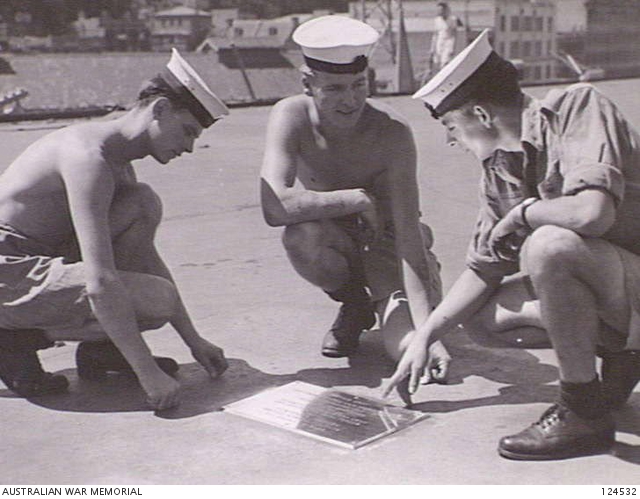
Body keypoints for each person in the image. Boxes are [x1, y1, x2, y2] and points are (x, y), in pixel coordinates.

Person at [384, 29, 640, 461]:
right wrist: (425, 336)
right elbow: (484, 267)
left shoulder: (576, 107)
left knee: (549, 247)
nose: (451, 141)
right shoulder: (500, 170)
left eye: (451, 127)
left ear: (481, 114)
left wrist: (524, 213)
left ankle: (582, 412)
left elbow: (591, 214)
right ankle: (624, 354)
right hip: (623, 286)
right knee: (484, 318)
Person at [0, 49, 229, 410]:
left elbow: (143, 258)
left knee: (141, 204)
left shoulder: (118, 161)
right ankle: (14, 340)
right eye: (187, 132)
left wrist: (194, 340)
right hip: (7, 268)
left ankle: (104, 352)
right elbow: (100, 281)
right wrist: (148, 374)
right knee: (156, 301)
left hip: (34, 258)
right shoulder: (89, 159)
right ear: (159, 110)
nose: (189, 146)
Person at [260, 15, 450, 383]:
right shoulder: (290, 115)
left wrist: (425, 335)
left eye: (358, 85)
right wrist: (358, 199)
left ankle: (391, 309)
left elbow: (409, 238)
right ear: (307, 84)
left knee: (408, 352)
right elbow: (275, 206)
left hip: (392, 248)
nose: (349, 100)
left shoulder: (392, 132)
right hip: (339, 239)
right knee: (301, 237)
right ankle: (356, 304)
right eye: (333, 88)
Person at [427, 2, 463, 77]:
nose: (440, 12)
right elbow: (435, 34)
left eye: (442, 10)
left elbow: (454, 34)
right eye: (439, 10)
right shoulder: (437, 20)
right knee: (437, 62)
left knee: (445, 62)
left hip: (448, 42)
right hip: (439, 42)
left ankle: (444, 77)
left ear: (446, 10)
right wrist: (432, 48)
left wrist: (452, 47)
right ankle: (438, 78)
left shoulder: (452, 19)